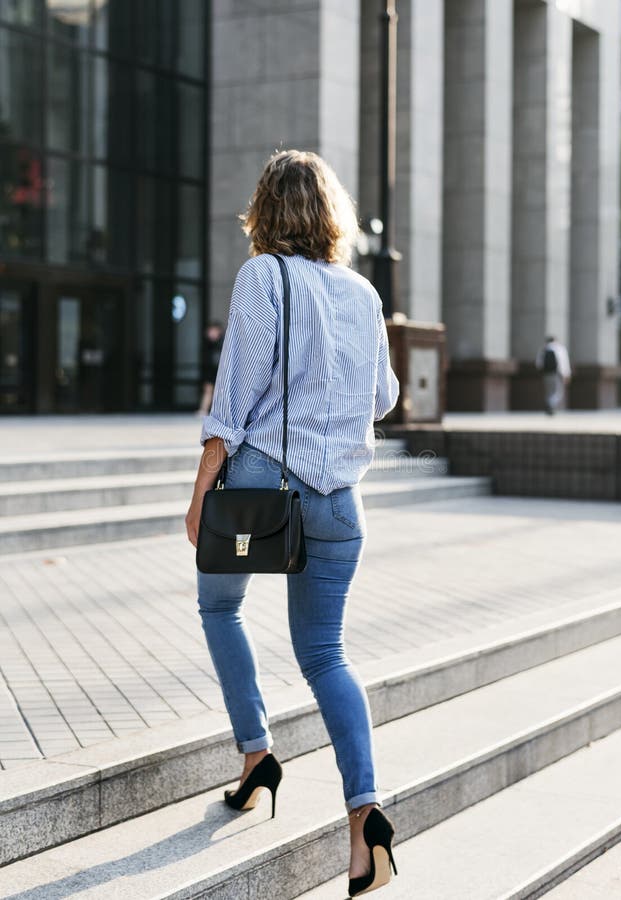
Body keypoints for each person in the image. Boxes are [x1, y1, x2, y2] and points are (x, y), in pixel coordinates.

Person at [184, 150, 400, 897]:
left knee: (219, 606)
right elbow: (381, 399)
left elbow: (233, 399)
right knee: (325, 654)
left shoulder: (261, 276)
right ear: (331, 214)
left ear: (264, 210)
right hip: (339, 499)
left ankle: (255, 753)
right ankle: (364, 816)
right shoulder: (363, 293)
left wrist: (199, 491)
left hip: (258, 487)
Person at [536, 335, 571, 414]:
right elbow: (563, 363)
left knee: (548, 391)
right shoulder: (559, 349)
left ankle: (549, 404)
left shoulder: (543, 349)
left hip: (546, 374)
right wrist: (566, 374)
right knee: (558, 392)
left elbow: (538, 364)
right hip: (556, 373)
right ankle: (551, 404)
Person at [196, 321, 225, 416]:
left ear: (219, 331)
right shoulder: (206, 344)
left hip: (221, 371)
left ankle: (220, 411)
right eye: (210, 331)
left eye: (214, 331)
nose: (212, 333)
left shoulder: (224, 343)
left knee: (221, 392)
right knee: (208, 390)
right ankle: (204, 409)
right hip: (210, 371)